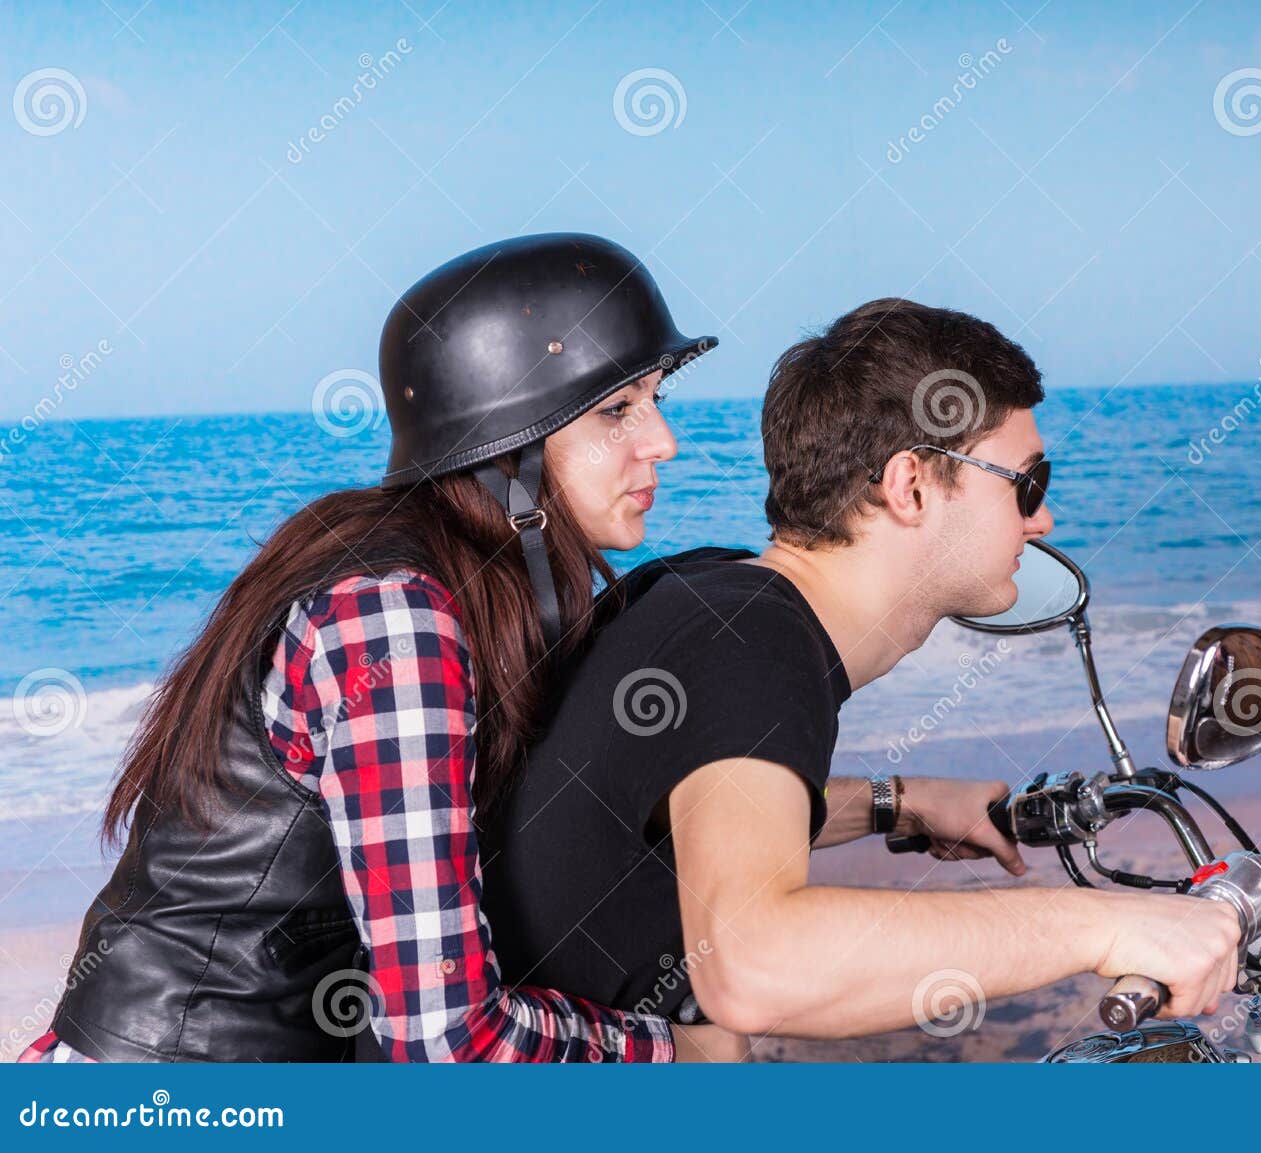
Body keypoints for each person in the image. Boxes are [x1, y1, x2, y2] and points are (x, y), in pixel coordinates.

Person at [20, 233, 741, 1063]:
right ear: (509, 444)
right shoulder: (393, 618)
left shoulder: (474, 586)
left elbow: (617, 806)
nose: (664, 442)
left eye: (655, 399)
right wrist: (678, 1052)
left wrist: (885, 805)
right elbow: (446, 1041)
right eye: (618, 409)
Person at [483, 298, 1241, 1046]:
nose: (1040, 521)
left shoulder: (707, 591)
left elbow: (679, 814)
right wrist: (1104, 925)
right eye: (1027, 484)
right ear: (910, 486)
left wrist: (898, 803)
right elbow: (754, 966)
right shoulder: (755, 642)